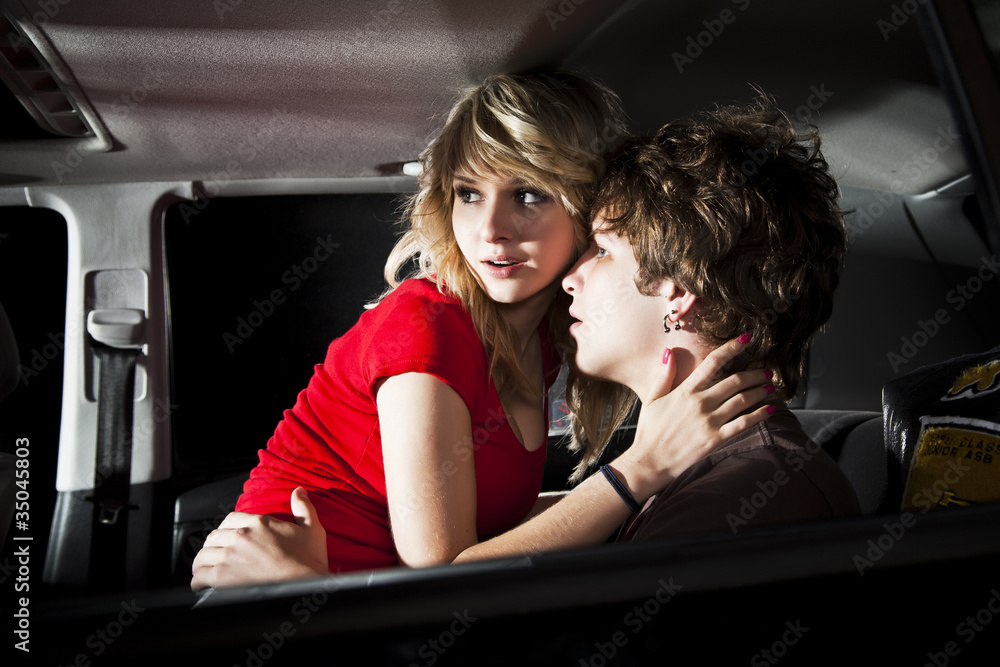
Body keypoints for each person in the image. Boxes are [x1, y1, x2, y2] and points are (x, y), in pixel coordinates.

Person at [190, 73, 774, 590]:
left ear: (586, 207)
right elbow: (444, 575)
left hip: (356, 613)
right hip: (267, 603)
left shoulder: (545, 344)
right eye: (468, 194)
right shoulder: (427, 325)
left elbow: (488, 538)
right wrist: (640, 470)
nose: (491, 230)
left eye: (526, 195)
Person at [560, 95, 861, 542]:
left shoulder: (748, 495)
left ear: (678, 290)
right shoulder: (701, 466)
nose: (570, 278)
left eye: (603, 251)